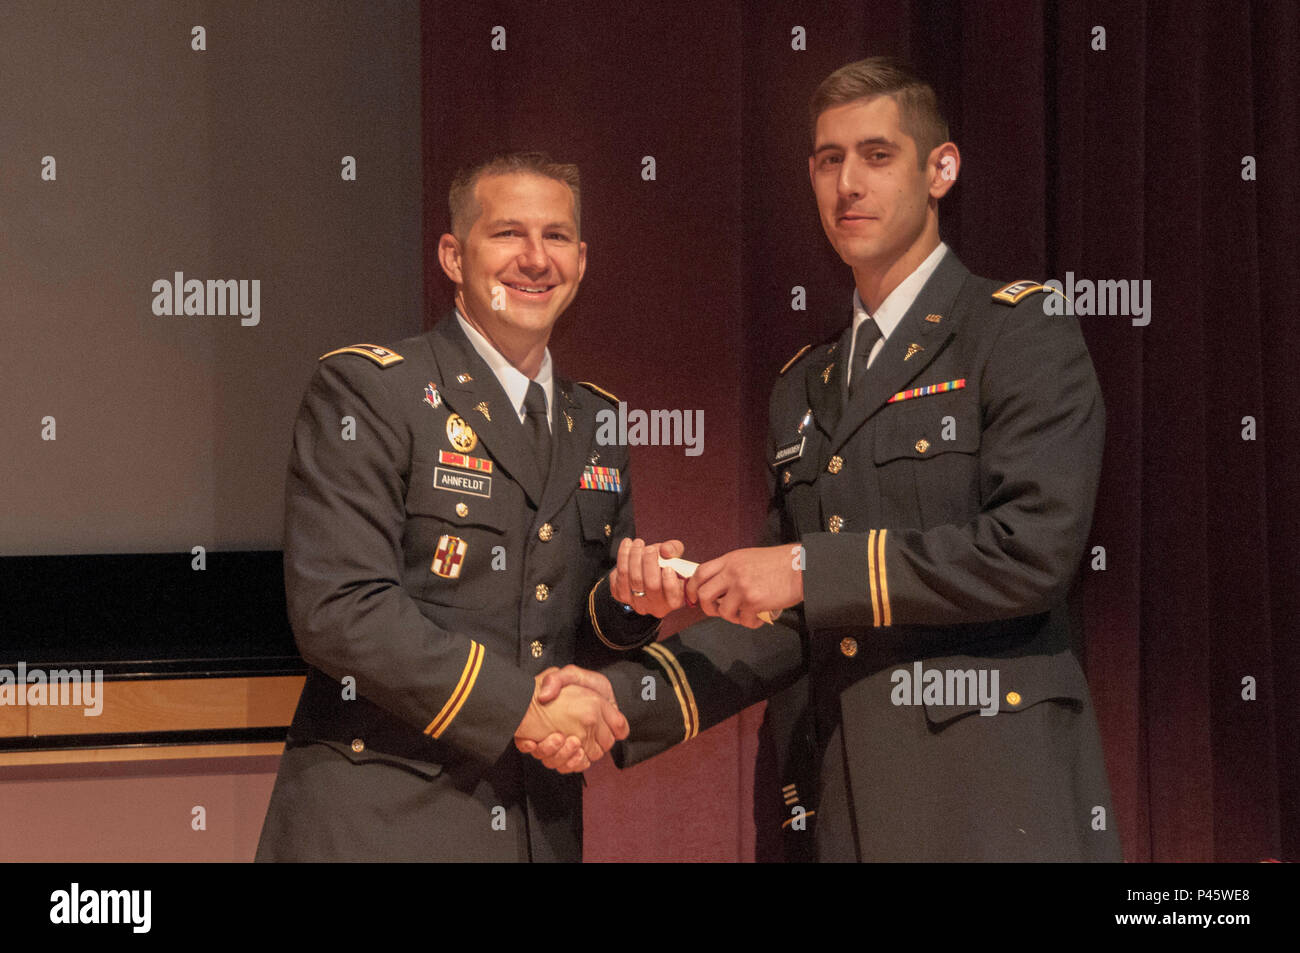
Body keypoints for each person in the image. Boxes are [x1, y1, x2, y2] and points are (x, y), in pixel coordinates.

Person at [524, 57, 1122, 862]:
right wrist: (624, 694)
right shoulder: (804, 386)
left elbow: (1031, 553)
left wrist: (806, 569)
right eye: (828, 159)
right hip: (844, 800)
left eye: (877, 155)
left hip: (992, 796)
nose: (848, 183)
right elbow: (784, 624)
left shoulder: (1019, 332)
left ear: (940, 169)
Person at [255, 152, 666, 862]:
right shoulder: (371, 391)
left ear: (582, 260)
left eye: (558, 237)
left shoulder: (596, 421)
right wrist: (522, 708)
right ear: (453, 254)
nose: (536, 259)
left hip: (537, 823)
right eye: (508, 233)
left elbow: (569, 628)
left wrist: (629, 603)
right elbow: (341, 611)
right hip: (382, 821)